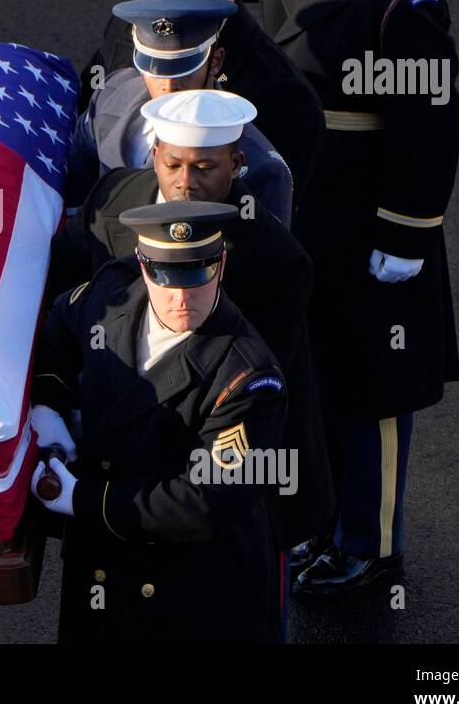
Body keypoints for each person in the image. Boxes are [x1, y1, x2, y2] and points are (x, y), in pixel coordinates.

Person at [191, 0, 459, 594]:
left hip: (361, 214)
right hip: (292, 204)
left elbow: (428, 128)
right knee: (313, 370)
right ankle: (326, 526)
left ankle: (370, 545)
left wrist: (407, 233)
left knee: (372, 380)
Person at [30, 201, 287, 643]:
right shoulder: (110, 295)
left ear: (221, 263)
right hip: (105, 569)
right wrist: (48, 404)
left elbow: (206, 499)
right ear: (143, 266)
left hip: (190, 589)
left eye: (198, 273)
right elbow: (60, 325)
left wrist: (85, 500)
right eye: (166, 276)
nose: (182, 295)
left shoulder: (249, 377)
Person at [81, 0, 322, 209]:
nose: (177, 11)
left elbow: (278, 209)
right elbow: (92, 112)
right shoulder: (125, 30)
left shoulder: (279, 90)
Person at [67, 0, 293, 225]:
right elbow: (81, 157)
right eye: (153, 65)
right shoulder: (113, 93)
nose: (167, 83)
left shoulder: (261, 168)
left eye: (183, 67)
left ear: (215, 62)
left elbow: (266, 255)